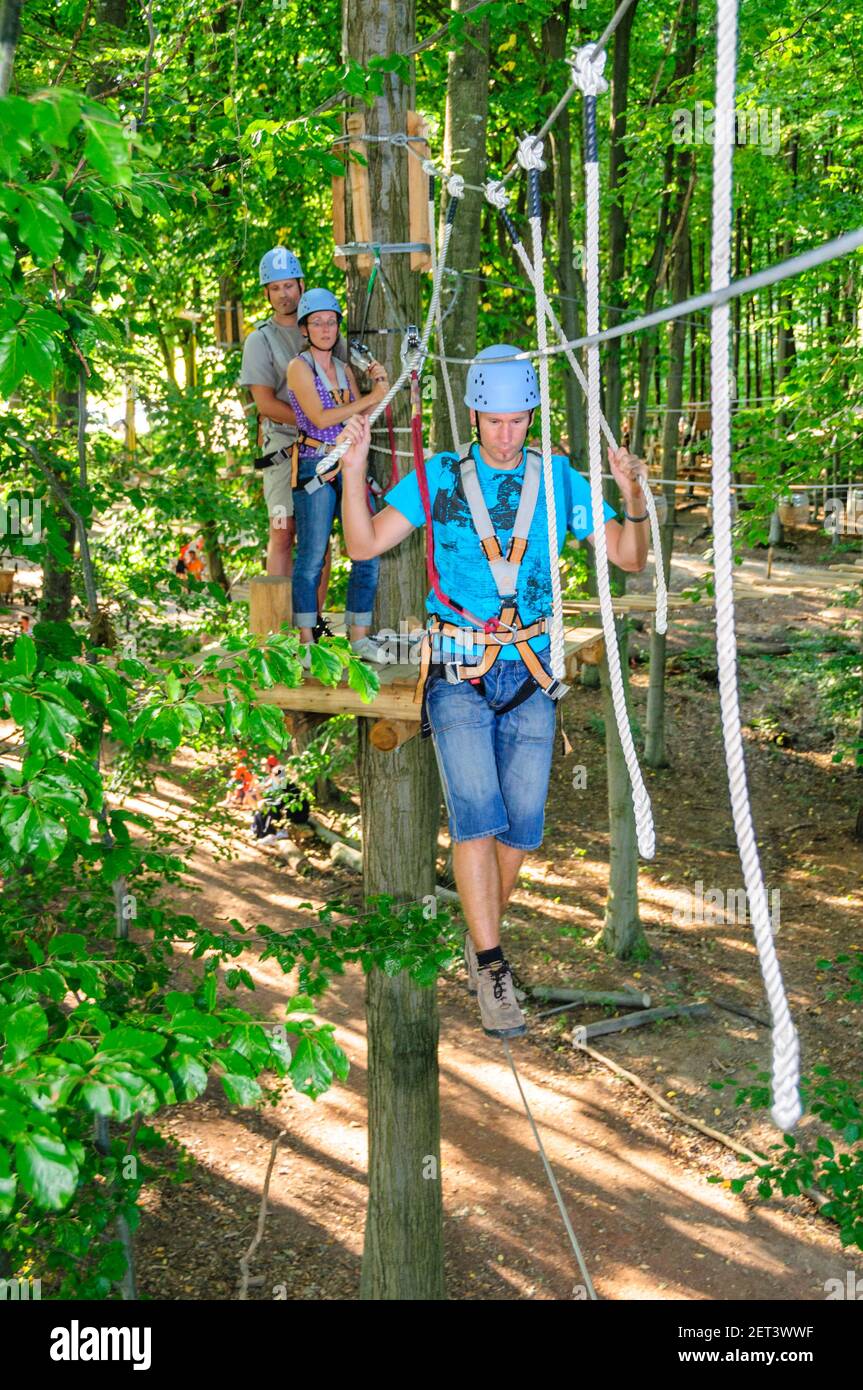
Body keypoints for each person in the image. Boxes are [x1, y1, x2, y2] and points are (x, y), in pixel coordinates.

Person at [337, 344, 650, 1039]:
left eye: (518, 420)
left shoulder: (558, 480)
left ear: (530, 415)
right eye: (494, 420)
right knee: (476, 818)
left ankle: (481, 946)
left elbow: (628, 558)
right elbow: (363, 546)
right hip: (456, 670)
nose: (506, 434)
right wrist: (355, 468)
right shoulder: (438, 478)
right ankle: (492, 965)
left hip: (532, 672)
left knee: (522, 831)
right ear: (474, 413)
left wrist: (632, 497)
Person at [286, 288, 390, 665]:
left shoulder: (346, 370)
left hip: (348, 463)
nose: (326, 329)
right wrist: (371, 394)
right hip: (316, 463)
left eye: (331, 321)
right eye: (317, 322)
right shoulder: (299, 367)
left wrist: (379, 381)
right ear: (305, 328)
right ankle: (306, 642)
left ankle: (358, 635)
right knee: (313, 555)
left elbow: (365, 408)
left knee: (368, 550)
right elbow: (322, 418)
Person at [238, 247, 336, 634]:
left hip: (325, 450)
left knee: (319, 539)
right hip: (282, 450)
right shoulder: (260, 341)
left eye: (289, 286)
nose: (283, 295)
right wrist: (314, 418)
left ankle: (313, 624)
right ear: (267, 294)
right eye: (275, 288)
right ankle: (275, 629)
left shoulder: (322, 329)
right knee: (282, 532)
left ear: (301, 286)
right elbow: (264, 403)